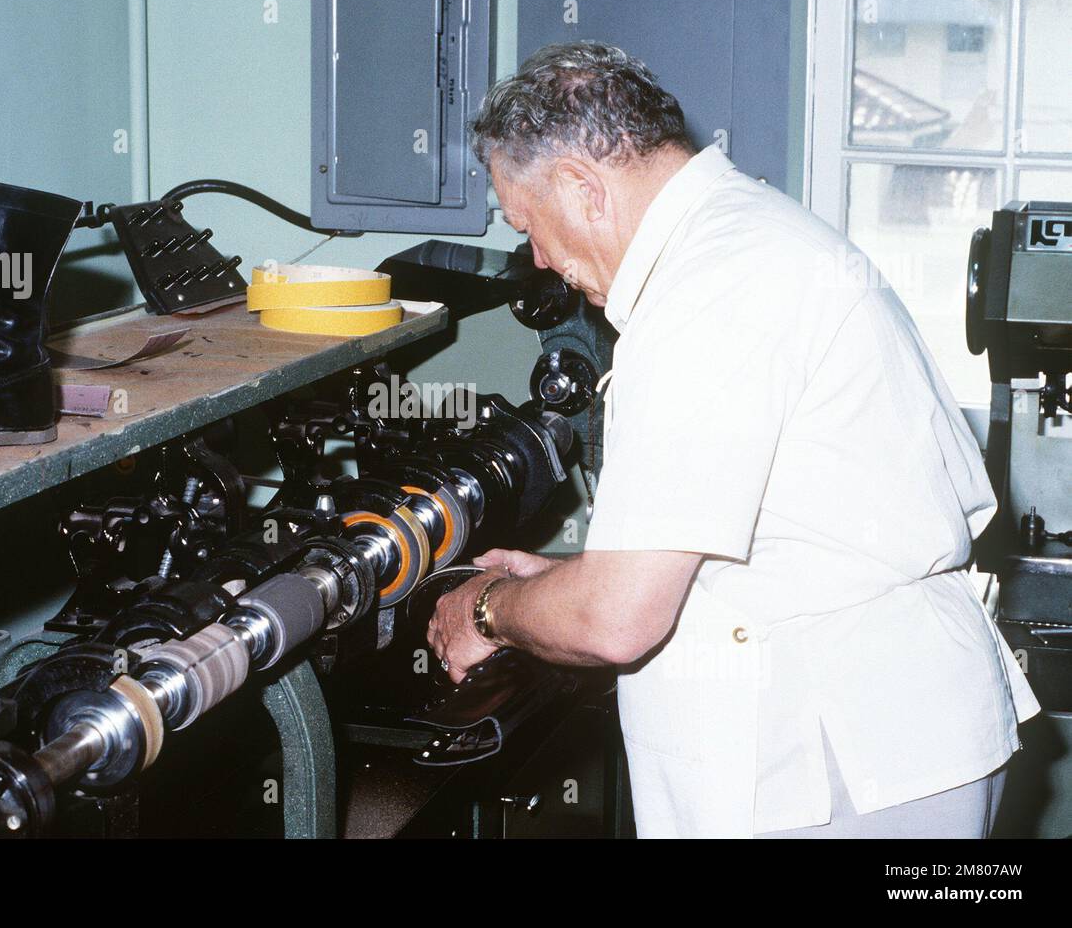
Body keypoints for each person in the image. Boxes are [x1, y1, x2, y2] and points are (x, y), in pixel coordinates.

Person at [428, 42, 1039, 838]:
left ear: (582, 189)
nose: (539, 260)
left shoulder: (704, 291)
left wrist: (486, 609)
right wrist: (569, 580)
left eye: (528, 226)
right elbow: (755, 540)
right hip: (896, 737)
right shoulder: (740, 240)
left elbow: (620, 619)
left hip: (848, 768)